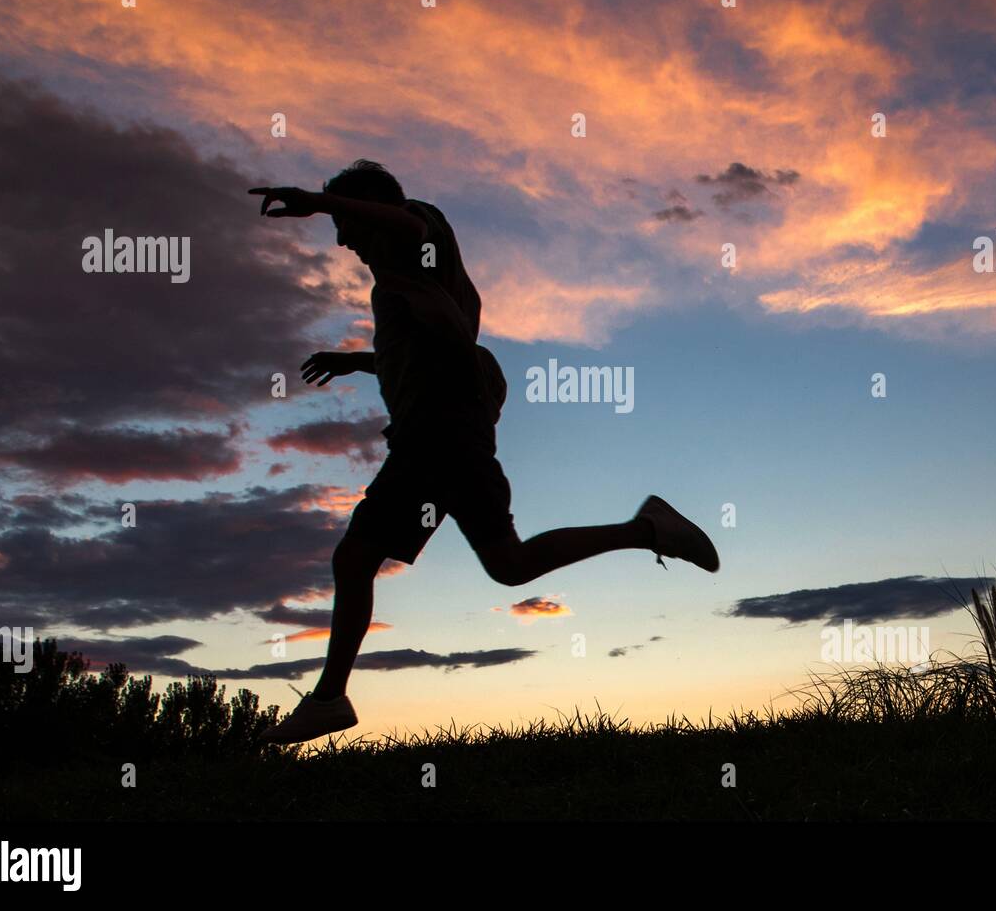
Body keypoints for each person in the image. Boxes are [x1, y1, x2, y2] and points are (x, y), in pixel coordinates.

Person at [249, 161, 718, 744]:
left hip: (437, 435)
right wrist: (360, 363)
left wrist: (318, 201)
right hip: (440, 434)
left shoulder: (419, 235)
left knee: (362, 557)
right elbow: (426, 352)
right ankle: (648, 529)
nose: (342, 239)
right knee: (505, 565)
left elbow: (409, 235)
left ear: (371, 209)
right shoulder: (403, 278)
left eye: (345, 222)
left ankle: (329, 697)